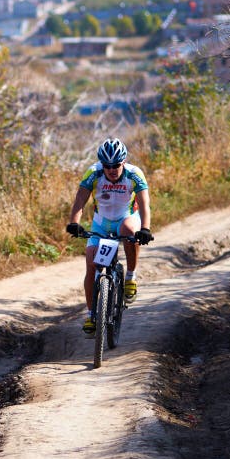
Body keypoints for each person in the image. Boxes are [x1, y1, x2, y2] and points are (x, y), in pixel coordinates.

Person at [66, 138, 153, 337]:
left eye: (116, 165)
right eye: (107, 166)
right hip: (101, 223)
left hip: (127, 217)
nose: (112, 170)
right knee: (91, 265)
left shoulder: (134, 174)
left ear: (123, 162)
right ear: (102, 164)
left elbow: (144, 204)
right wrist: (74, 223)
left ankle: (130, 276)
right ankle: (91, 315)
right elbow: (80, 199)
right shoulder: (94, 172)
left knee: (128, 230)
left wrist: (145, 229)